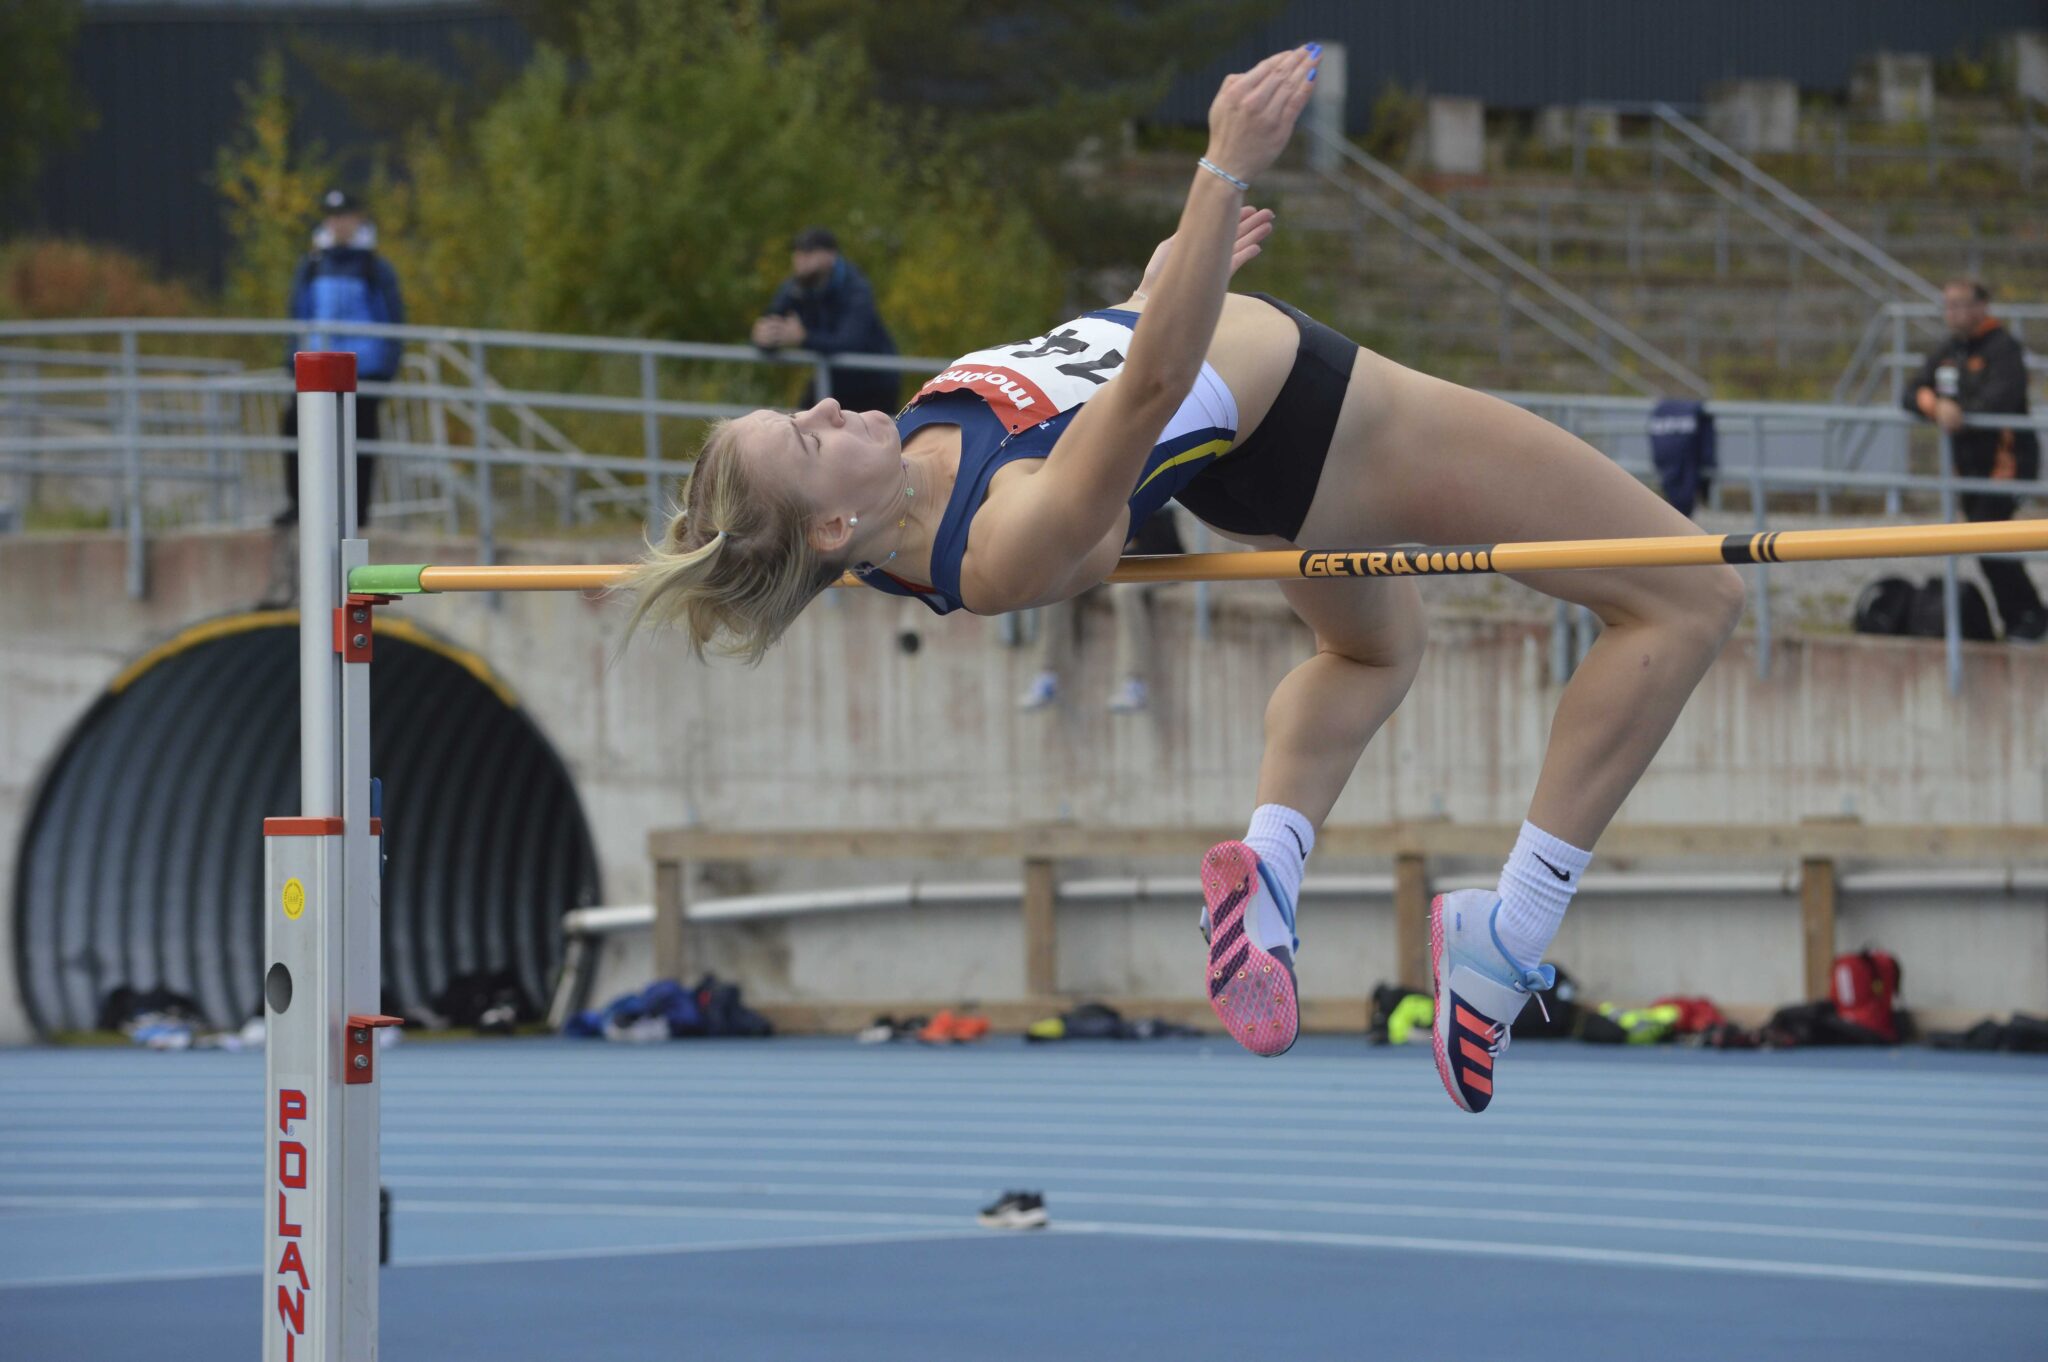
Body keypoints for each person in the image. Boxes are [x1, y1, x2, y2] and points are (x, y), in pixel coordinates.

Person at [629, 46, 1744, 1112]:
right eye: (808, 437)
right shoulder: (997, 539)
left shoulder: (905, 481)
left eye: (800, 410)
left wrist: (1161, 277)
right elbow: (1151, 385)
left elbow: (1103, 364)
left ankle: (1267, 865)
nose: (825, 407)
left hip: (1251, 457)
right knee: (1688, 594)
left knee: (1371, 651)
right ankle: (1507, 937)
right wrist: (1219, 168)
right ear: (830, 525)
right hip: (1325, 420)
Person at [1902, 280, 2045, 642]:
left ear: (1983, 306)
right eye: (1949, 305)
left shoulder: (2003, 348)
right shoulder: (1951, 350)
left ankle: (2029, 618)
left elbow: (2000, 399)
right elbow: (1911, 391)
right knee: (1984, 545)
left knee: (1990, 542)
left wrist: (1958, 411)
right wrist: (1935, 406)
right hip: (1967, 468)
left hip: (2006, 465)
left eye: (1962, 304)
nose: (1955, 312)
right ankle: (2022, 620)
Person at [279, 189, 405, 528]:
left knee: (359, 441)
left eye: (344, 215)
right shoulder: (313, 265)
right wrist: (292, 362)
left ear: (357, 218)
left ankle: (358, 514)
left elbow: (393, 320)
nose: (337, 223)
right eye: (332, 216)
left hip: (364, 368)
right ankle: (300, 507)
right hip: (318, 368)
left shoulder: (374, 268)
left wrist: (387, 369)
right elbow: (300, 315)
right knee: (298, 432)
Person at [1019, 508, 1185, 712]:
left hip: (1162, 564)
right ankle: (1048, 675)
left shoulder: (1146, 494)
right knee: (1057, 586)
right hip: (1117, 565)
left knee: (1124, 593)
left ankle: (1135, 683)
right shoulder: (1102, 499)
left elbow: (1160, 547)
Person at [752, 227, 901, 416]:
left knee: (872, 440)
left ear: (831, 255)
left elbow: (850, 342)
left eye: (809, 251)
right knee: (800, 426)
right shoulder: (795, 287)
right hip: (831, 378)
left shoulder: (855, 288)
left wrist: (804, 338)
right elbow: (772, 323)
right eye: (797, 252)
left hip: (873, 382)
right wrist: (762, 338)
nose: (800, 258)